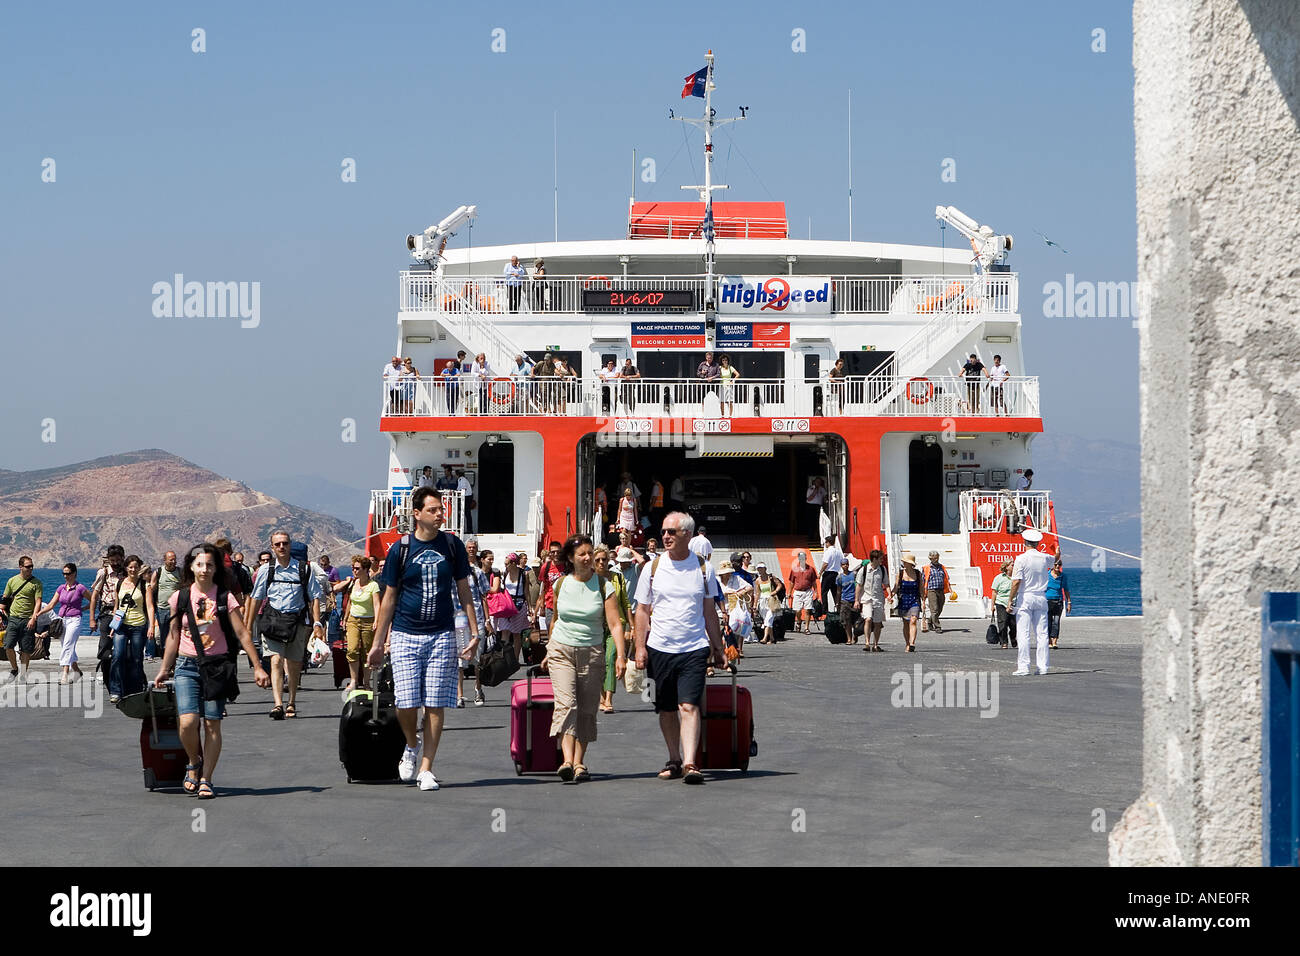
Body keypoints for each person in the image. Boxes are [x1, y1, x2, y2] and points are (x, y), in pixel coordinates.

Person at [369, 487, 481, 791]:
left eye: (441, 509)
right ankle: (411, 742)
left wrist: (474, 629)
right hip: (406, 633)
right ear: (416, 514)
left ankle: (427, 768)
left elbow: (464, 590)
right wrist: (379, 642)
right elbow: (389, 597)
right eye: (433, 510)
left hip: (442, 634)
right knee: (405, 702)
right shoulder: (400, 549)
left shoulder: (452, 546)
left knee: (434, 703)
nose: (440, 514)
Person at [155, 543, 271, 800]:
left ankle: (206, 778)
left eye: (209, 564)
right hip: (186, 665)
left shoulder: (224, 597)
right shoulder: (180, 597)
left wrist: (258, 667)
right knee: (187, 722)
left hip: (217, 667)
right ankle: (194, 762)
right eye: (199, 564)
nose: (204, 569)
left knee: (212, 724)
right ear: (191, 567)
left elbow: (242, 633)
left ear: (216, 568)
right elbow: (173, 636)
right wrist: (164, 669)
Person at [633, 512, 725, 785]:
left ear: (687, 534)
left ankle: (690, 762)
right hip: (659, 647)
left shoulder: (703, 569)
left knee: (689, 705)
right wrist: (640, 648)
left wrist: (718, 648)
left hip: (694, 648)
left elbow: (709, 611)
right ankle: (674, 758)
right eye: (663, 532)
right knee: (666, 708)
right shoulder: (652, 568)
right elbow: (641, 610)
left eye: (671, 532)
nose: (665, 536)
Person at [544, 536, 625, 781]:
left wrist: (621, 655)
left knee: (587, 709)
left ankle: (580, 762)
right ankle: (567, 760)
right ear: (571, 558)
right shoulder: (560, 584)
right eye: (582, 554)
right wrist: (549, 649)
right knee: (567, 704)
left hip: (592, 651)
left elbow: (614, 624)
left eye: (590, 553)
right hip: (561, 650)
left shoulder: (604, 586)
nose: (588, 558)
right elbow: (556, 619)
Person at [247, 530, 325, 720]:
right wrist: (247, 627)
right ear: (272, 547)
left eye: (285, 543)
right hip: (273, 621)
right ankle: (278, 704)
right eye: (278, 544)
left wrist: (316, 623)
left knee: (294, 664)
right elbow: (256, 598)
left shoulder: (303, 569)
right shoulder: (267, 570)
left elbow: (314, 597)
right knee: (275, 661)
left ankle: (291, 701)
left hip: (296, 621)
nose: (282, 547)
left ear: (290, 545)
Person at [108, 555, 155, 704]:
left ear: (139, 567)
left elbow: (149, 606)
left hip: (138, 626)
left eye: (136, 567)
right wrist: (113, 626)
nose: (133, 569)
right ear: (126, 568)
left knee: (136, 659)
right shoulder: (120, 583)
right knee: (117, 656)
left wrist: (151, 626)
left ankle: (135, 690)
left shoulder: (144, 585)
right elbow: (117, 606)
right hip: (122, 626)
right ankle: (116, 690)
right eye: (130, 567)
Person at [1008, 529, 1054, 675]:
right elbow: (1056, 559)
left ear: (1024, 542)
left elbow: (1016, 582)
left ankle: (1023, 667)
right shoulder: (1045, 557)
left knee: (1024, 633)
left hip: (1025, 596)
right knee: (1042, 634)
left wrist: (1010, 600)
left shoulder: (1021, 559)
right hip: (1041, 596)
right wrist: (1058, 551)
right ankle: (1043, 667)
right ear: (1038, 543)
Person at [593, 544, 631, 714]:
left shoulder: (618, 577)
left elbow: (626, 603)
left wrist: (632, 626)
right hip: (596, 625)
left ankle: (608, 699)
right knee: (598, 662)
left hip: (617, 623)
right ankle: (601, 695)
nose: (601, 562)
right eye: (598, 560)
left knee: (611, 659)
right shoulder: (590, 580)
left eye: (604, 559)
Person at [456, 542, 494, 707]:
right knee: (459, 659)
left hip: (477, 619)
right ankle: (459, 695)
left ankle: (478, 690)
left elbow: (484, 597)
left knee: (477, 659)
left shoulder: (477, 572)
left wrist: (487, 620)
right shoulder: (453, 573)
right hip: (458, 620)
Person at [39, 563, 88, 683]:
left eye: (68, 573)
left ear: (74, 573)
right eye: (64, 573)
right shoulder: (61, 588)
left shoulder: (80, 588)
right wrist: (38, 613)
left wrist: (83, 609)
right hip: (62, 620)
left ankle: (65, 674)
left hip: (75, 619)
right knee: (67, 646)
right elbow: (51, 605)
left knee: (67, 644)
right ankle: (77, 671)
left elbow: (94, 600)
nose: (66, 576)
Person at [89, 545, 129, 685]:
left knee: (122, 647)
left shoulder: (126, 573)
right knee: (105, 647)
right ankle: (107, 677)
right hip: (107, 613)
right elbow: (94, 596)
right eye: (113, 560)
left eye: (118, 560)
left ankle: (122, 677)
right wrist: (92, 619)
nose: (116, 563)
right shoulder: (103, 573)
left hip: (124, 613)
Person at [341, 555, 381, 691]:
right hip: (353, 619)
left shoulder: (373, 585)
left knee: (367, 652)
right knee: (351, 649)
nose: (354, 571)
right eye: (353, 568)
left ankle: (366, 682)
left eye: (357, 568)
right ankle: (353, 681)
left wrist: (377, 620)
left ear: (365, 569)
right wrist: (345, 619)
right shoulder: (353, 583)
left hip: (368, 621)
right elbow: (350, 602)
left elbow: (377, 604)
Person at [1, 557, 43, 684]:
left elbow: (38, 602)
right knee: (8, 645)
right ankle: (14, 669)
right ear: (20, 567)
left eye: (32, 566)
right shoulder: (12, 581)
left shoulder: (36, 583)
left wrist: (34, 617)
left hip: (28, 619)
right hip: (13, 618)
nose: (30, 569)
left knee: (26, 649)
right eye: (27, 566)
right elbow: (5, 599)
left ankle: (23, 674)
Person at [489, 552, 531, 662]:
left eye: (507, 563)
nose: (505, 565)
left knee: (516, 633)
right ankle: (504, 659)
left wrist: (530, 607)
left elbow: (526, 591)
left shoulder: (523, 574)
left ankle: (516, 659)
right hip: (506, 605)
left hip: (519, 604)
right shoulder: (505, 572)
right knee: (504, 630)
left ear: (513, 563)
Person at [147, 552, 181, 661]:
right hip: (162, 609)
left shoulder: (180, 572)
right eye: (171, 560)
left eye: (174, 559)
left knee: (175, 633)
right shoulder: (159, 572)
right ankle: (166, 658)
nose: (173, 562)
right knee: (163, 634)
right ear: (165, 560)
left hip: (176, 609)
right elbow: (150, 589)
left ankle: (174, 658)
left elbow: (186, 586)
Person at [854, 550, 890, 652]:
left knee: (878, 622)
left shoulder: (882, 570)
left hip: (878, 598)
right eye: (880, 559)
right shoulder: (864, 570)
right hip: (867, 598)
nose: (882, 561)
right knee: (868, 619)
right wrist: (856, 600)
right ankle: (867, 643)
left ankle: (875, 644)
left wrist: (890, 595)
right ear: (874, 559)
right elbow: (859, 585)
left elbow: (886, 584)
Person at [534, 540, 565, 637]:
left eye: (558, 552)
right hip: (550, 606)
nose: (556, 554)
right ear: (549, 553)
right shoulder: (546, 567)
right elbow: (544, 587)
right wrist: (541, 605)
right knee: (551, 633)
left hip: (564, 605)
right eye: (553, 552)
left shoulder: (567, 566)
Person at [894, 553, 923, 652]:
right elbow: (896, 587)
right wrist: (891, 595)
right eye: (904, 562)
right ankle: (907, 643)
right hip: (904, 600)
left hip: (915, 599)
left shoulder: (918, 574)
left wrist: (923, 599)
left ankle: (912, 642)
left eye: (906, 562)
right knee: (906, 623)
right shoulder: (901, 574)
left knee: (913, 620)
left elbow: (921, 588)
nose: (904, 564)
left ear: (911, 564)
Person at [787, 550, 817, 635]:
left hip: (808, 591)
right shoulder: (794, 569)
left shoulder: (811, 569)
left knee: (808, 610)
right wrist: (789, 592)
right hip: (798, 591)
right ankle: (799, 621)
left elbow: (814, 581)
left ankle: (806, 628)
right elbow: (792, 582)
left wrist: (816, 592)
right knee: (797, 611)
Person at [990, 560, 1017, 649]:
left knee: (1013, 624)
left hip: (1014, 603)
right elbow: (994, 592)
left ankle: (1013, 638)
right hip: (1001, 602)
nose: (1014, 566)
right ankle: (1003, 641)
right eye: (1012, 565)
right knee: (1003, 623)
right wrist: (992, 605)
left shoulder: (1017, 577)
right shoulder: (999, 578)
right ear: (1006, 567)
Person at [921, 551, 949, 633]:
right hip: (931, 590)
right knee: (934, 609)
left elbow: (946, 578)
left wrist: (949, 588)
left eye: (937, 557)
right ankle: (937, 626)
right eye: (934, 558)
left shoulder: (942, 567)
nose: (936, 559)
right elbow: (923, 580)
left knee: (940, 608)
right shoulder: (927, 568)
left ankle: (930, 621)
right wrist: (923, 593)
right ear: (930, 558)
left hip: (941, 590)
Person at [1046, 558, 1071, 649]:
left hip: (1058, 601)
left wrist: (1069, 602)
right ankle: (1048, 640)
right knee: (1048, 622)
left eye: (1059, 565)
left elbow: (1066, 589)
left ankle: (1054, 641)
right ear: (1052, 565)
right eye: (1055, 564)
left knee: (1056, 622)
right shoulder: (1047, 575)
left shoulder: (1063, 576)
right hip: (1047, 601)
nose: (1057, 566)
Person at [754, 562, 780, 644]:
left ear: (765, 569)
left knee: (768, 619)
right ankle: (772, 638)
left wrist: (774, 592)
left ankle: (765, 638)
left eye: (761, 568)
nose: (760, 570)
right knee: (768, 620)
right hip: (762, 601)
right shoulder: (758, 580)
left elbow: (779, 585)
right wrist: (755, 604)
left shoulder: (771, 577)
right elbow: (757, 593)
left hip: (771, 600)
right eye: (758, 568)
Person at [819, 535, 845, 611]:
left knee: (824, 592)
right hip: (836, 573)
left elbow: (825, 564)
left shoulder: (828, 552)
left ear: (828, 543)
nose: (825, 544)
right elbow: (842, 562)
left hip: (828, 573)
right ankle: (838, 608)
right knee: (835, 592)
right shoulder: (838, 552)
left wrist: (820, 573)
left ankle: (825, 610)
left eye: (825, 543)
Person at [838, 558, 860, 644]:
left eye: (846, 564)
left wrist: (857, 599)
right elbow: (839, 591)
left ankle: (855, 635)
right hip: (844, 600)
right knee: (846, 621)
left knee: (856, 621)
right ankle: (849, 639)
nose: (845, 566)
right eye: (843, 564)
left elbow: (858, 586)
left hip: (854, 600)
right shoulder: (839, 577)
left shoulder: (854, 574)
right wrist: (837, 602)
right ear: (841, 566)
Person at [805, 476, 827, 544]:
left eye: (819, 482)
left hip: (818, 506)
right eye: (817, 481)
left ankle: (818, 537)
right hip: (811, 506)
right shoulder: (810, 489)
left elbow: (825, 496)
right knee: (811, 521)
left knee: (818, 522)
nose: (818, 483)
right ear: (814, 482)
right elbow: (809, 499)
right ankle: (810, 537)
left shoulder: (822, 489)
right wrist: (815, 490)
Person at [457, 470, 475, 534]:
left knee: (467, 514)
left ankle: (469, 530)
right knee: (467, 514)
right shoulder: (463, 479)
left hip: (466, 498)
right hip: (467, 497)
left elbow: (463, 489)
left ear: (457, 475)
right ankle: (468, 529)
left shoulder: (462, 479)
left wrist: (457, 493)